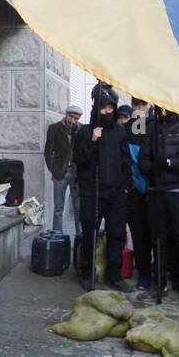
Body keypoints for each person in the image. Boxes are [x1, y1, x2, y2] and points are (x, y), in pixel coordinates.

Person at [139, 106, 179, 309]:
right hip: (156, 189)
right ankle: (159, 283)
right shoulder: (152, 128)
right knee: (158, 239)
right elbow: (143, 159)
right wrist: (151, 168)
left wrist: (168, 162)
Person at [73, 84, 132, 291]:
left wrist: (125, 186)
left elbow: (126, 161)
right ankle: (87, 272)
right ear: (97, 108)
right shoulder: (85, 132)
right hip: (92, 192)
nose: (108, 112)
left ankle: (114, 275)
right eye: (105, 108)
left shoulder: (120, 132)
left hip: (116, 193)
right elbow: (79, 160)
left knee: (116, 234)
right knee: (90, 233)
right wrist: (92, 140)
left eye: (111, 108)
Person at [126, 98, 154, 290]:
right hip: (134, 190)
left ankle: (159, 271)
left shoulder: (156, 127)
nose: (140, 109)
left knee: (157, 233)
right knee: (139, 233)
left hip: (155, 190)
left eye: (143, 105)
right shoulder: (127, 129)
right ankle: (144, 272)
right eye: (136, 105)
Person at [45, 105, 83, 235]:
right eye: (71, 117)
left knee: (78, 207)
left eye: (76, 119)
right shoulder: (54, 128)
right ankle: (57, 236)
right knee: (58, 208)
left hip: (77, 173)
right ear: (66, 114)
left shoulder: (80, 129)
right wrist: (53, 169)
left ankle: (80, 236)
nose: (72, 121)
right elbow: (48, 151)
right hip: (60, 172)